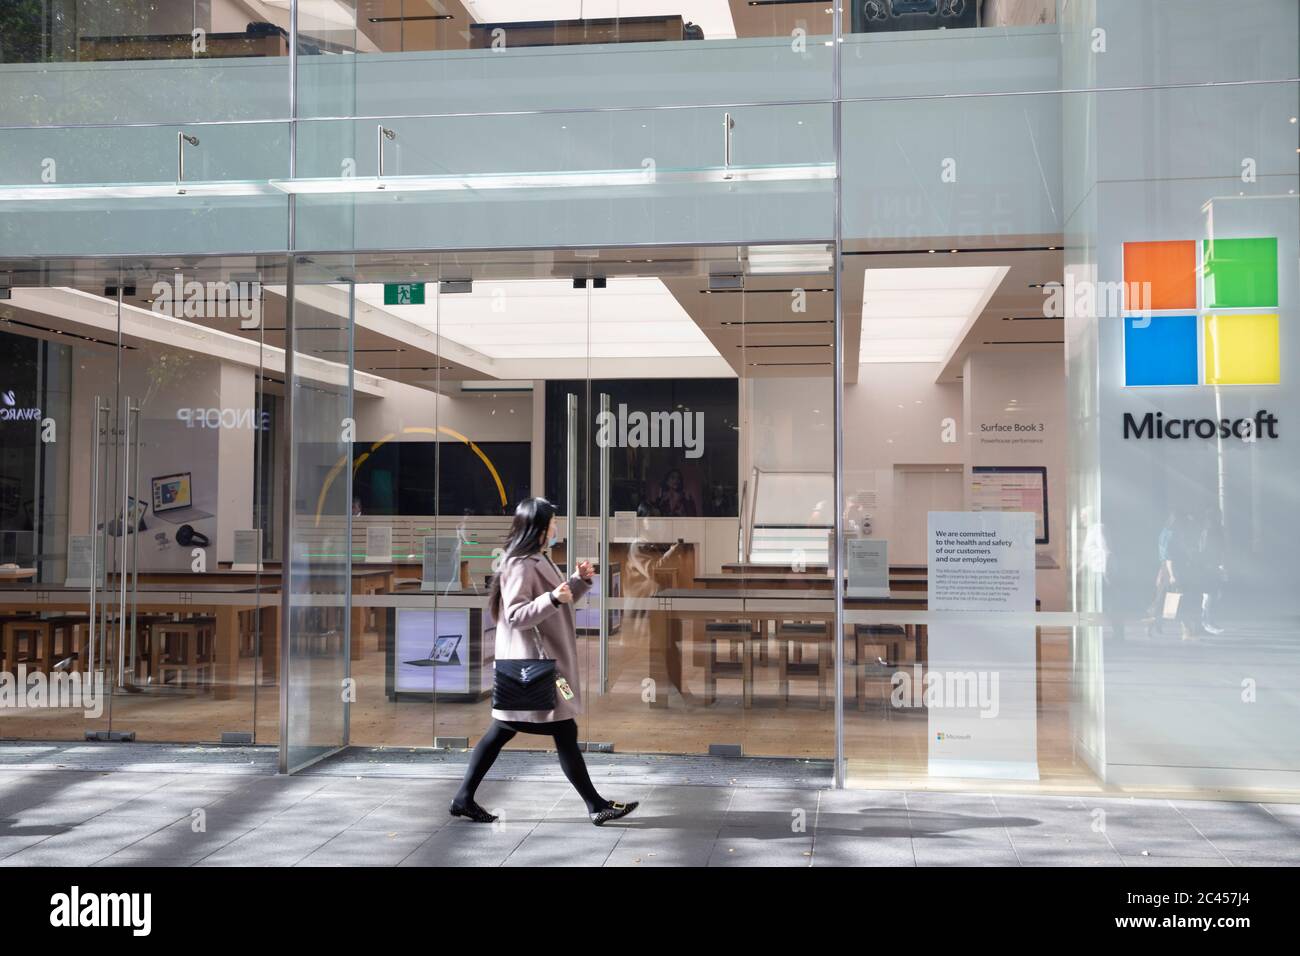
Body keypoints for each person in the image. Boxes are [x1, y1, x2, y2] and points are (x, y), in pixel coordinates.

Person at [449, 496, 639, 826]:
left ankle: (464, 797)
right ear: (538, 528)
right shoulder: (520, 564)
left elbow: (558, 602)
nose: (555, 528)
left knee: (506, 730)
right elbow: (517, 614)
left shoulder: (536, 558)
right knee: (561, 731)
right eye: (552, 523)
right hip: (532, 667)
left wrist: (578, 583)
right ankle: (595, 806)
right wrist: (553, 596)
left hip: (534, 666)